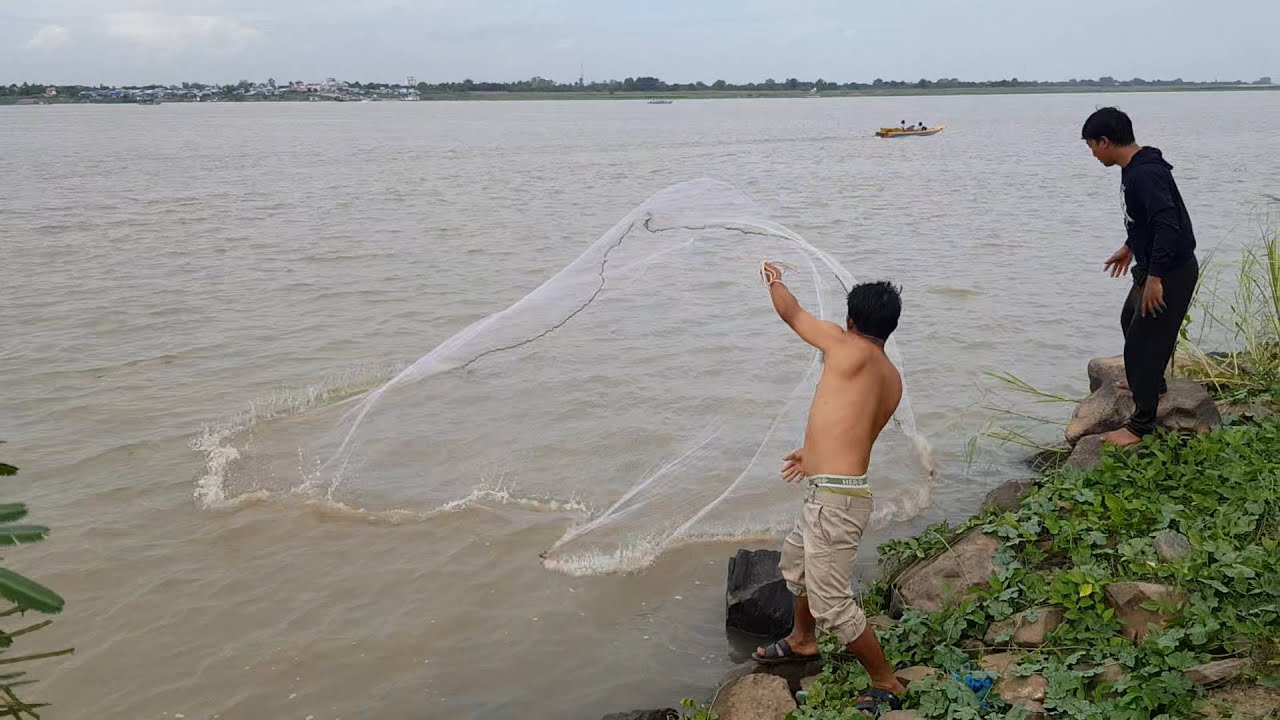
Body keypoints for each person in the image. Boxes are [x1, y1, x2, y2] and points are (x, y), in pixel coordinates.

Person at [752, 262, 907, 716]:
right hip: (838, 491)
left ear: (851, 321)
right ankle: (802, 640)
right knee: (796, 566)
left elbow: (793, 314)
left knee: (833, 603)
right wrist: (812, 455)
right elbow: (855, 432)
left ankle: (885, 681)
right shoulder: (890, 376)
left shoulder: (844, 345)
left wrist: (773, 280)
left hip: (835, 503)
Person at [1082, 107, 1199, 446]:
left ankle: (1141, 425)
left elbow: (1167, 224)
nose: (1091, 153)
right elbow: (1146, 221)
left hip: (1170, 272)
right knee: (1129, 318)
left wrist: (1156, 279)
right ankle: (1151, 385)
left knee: (1142, 344)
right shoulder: (1134, 168)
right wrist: (1129, 246)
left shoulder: (1144, 174)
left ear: (1105, 141)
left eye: (1091, 145)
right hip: (1152, 267)